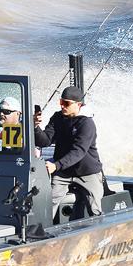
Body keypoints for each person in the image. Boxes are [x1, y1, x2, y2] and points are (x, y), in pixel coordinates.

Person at [34, 86, 103, 219]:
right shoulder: (57, 118)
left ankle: (97, 229)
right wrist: (35, 127)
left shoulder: (87, 123)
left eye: (66, 103)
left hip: (87, 172)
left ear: (78, 104)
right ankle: (40, 228)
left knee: (94, 209)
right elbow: (45, 141)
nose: (62, 106)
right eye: (61, 102)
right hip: (64, 172)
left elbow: (78, 151)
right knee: (48, 203)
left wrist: (56, 166)